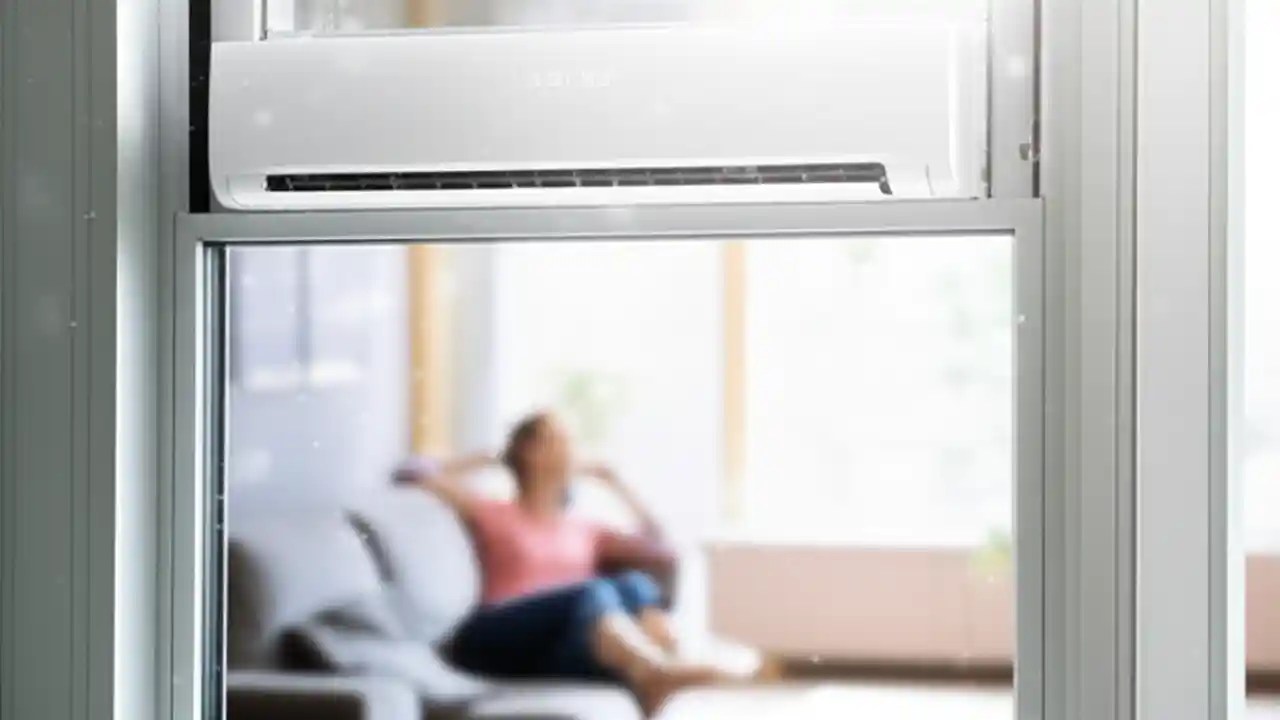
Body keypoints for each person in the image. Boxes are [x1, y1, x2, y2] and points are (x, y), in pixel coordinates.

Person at [396, 411, 746, 715]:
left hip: (561, 644)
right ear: (526, 452)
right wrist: (491, 457)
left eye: (568, 440)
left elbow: (663, 547)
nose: (568, 448)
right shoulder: (492, 511)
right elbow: (412, 471)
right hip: (497, 636)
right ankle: (657, 672)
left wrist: (615, 482)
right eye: (555, 438)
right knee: (591, 592)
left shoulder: (586, 529)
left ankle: (666, 669)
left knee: (635, 585)